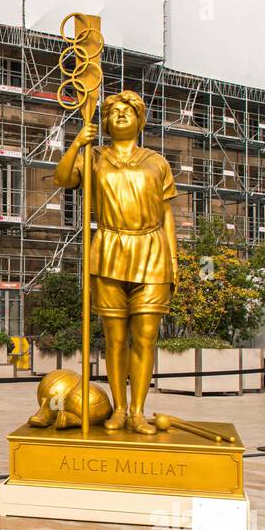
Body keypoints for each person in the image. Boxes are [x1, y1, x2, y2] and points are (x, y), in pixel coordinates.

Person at [53, 90, 178, 434]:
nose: (121, 115)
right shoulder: (94, 157)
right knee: (115, 338)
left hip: (152, 249)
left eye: (129, 110)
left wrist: (173, 259)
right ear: (105, 122)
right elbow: (63, 178)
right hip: (109, 247)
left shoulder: (157, 162)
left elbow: (167, 214)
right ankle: (119, 408)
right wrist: (78, 143)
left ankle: (138, 411)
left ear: (140, 120)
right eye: (114, 112)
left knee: (146, 336)